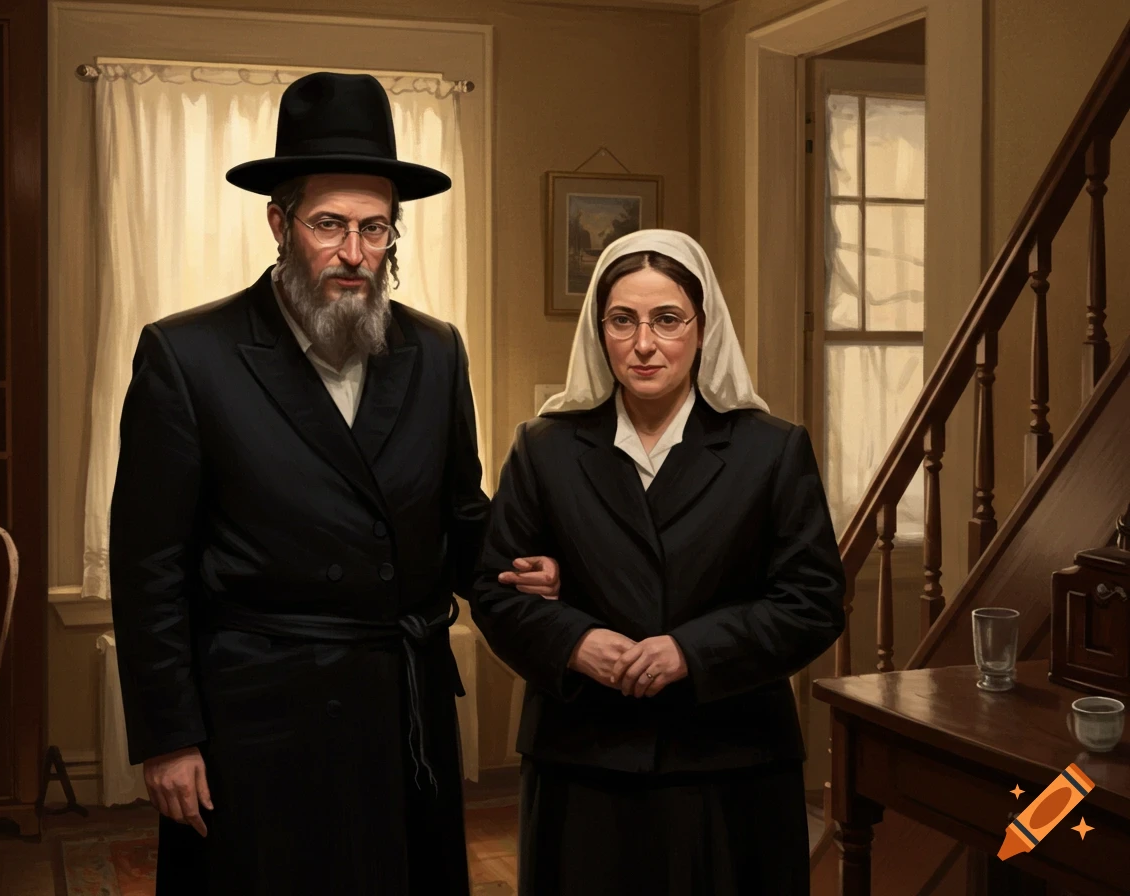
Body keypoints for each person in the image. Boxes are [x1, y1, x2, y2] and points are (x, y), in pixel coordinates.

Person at [107, 71, 560, 896]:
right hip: (256, 719)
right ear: (279, 223)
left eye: (375, 229)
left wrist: (513, 566)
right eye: (329, 225)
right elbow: (148, 569)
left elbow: (461, 518)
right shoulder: (189, 356)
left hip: (402, 709)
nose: (354, 253)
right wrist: (168, 737)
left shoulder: (435, 350)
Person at [470, 229, 847, 895]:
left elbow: (813, 602)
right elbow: (497, 591)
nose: (644, 344)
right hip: (583, 761)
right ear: (599, 330)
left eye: (667, 320)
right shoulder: (544, 448)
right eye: (623, 321)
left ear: (703, 330)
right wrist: (577, 642)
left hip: (729, 765)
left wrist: (691, 653)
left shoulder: (772, 450)